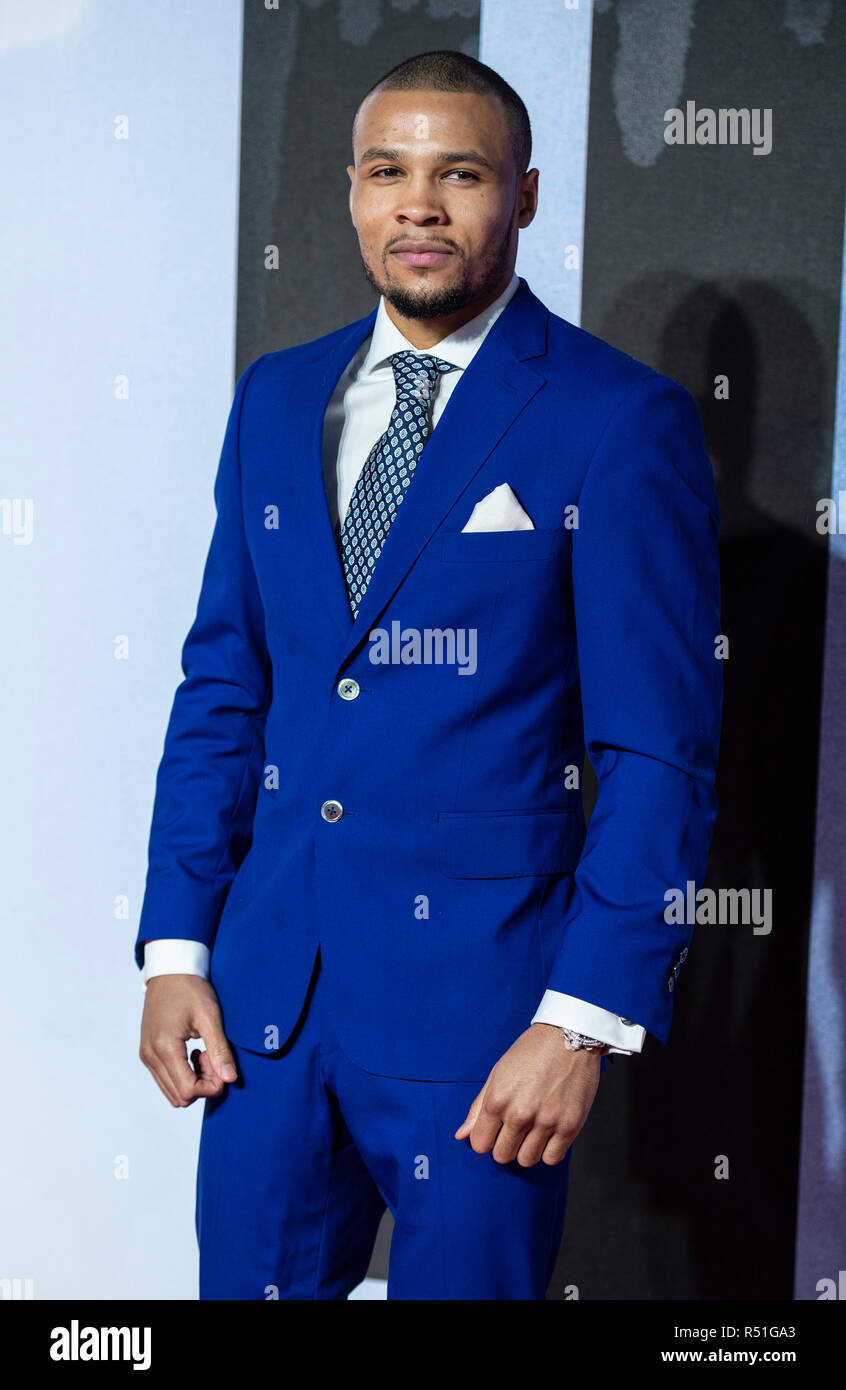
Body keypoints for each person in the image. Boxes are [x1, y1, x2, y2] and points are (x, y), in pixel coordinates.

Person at [136, 49, 723, 1300]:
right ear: (351, 194)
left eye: (459, 173)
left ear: (523, 194)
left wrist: (578, 1022)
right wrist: (175, 946)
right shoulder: (277, 399)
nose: (419, 205)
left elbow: (656, 754)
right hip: (264, 1011)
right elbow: (224, 691)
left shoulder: (619, 420)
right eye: (389, 173)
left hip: (483, 1026)